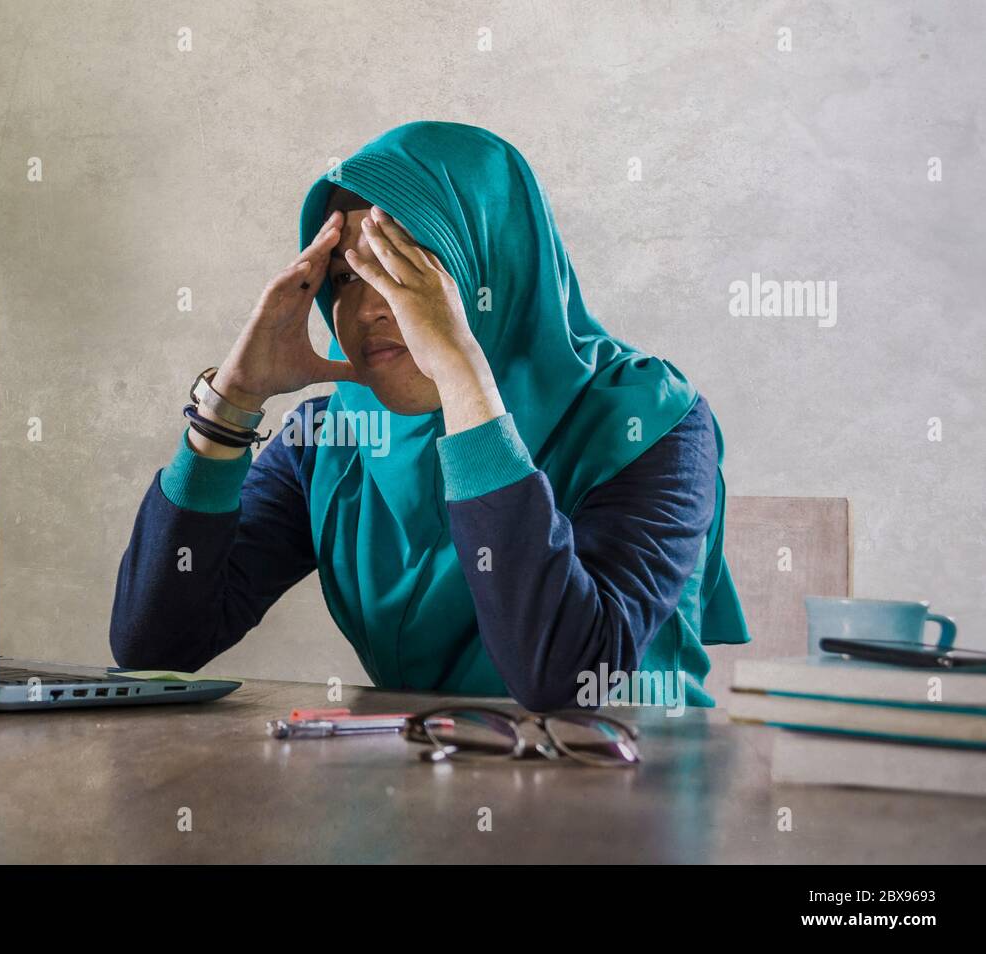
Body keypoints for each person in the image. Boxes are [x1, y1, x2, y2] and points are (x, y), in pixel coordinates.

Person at [110, 121, 749, 710]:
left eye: (404, 268)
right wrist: (232, 403)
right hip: (425, 796)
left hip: (623, 790)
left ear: (494, 263)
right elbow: (155, 647)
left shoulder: (651, 421)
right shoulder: (335, 435)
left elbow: (565, 679)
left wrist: (464, 382)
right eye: (348, 275)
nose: (365, 311)